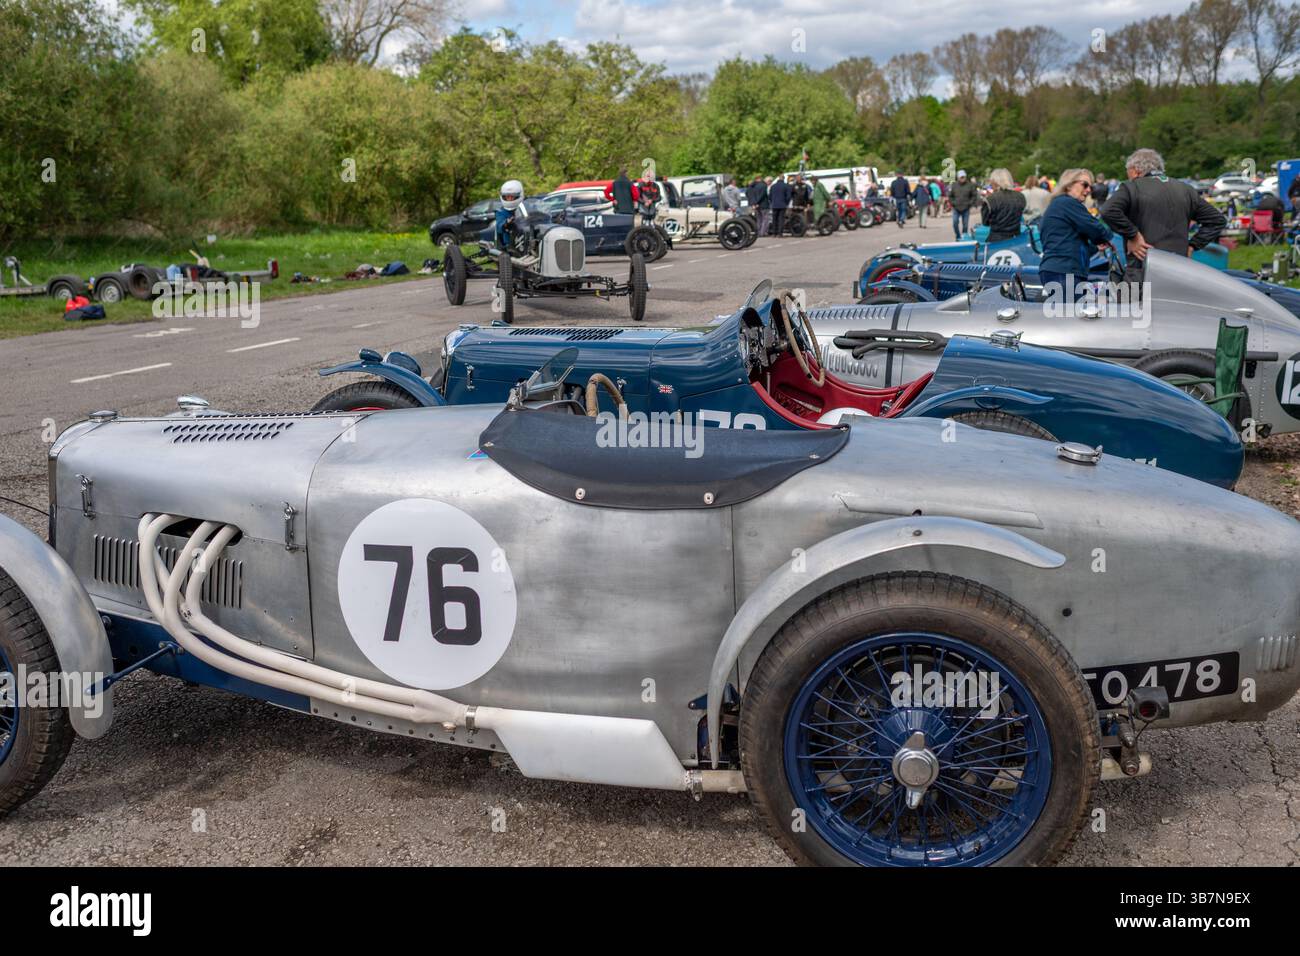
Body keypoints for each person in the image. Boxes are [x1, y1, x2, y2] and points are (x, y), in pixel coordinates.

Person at [1101, 148, 1226, 282]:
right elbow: (1217, 220)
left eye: (1128, 174)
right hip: (1179, 270)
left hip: (1142, 269)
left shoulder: (1132, 187)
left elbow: (1108, 210)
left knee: (1133, 302)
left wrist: (1133, 235)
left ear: (1135, 170)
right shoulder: (1185, 189)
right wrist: (1192, 246)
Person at [1038, 168, 1113, 302]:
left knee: (1069, 319)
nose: (1089, 190)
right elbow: (1096, 228)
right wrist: (1108, 235)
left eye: (1091, 186)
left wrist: (1096, 247)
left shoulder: (1059, 204)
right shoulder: (1068, 203)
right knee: (1071, 320)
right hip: (1064, 272)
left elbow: (1068, 242)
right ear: (1069, 185)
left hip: (1059, 270)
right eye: (1085, 184)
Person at [980, 168, 1026, 242]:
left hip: (996, 240)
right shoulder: (1021, 196)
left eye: (992, 182)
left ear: (996, 182)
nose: (991, 184)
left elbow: (985, 222)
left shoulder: (991, 199)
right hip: (1016, 239)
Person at [494, 179, 528, 251]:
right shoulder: (500, 212)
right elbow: (499, 226)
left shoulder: (525, 206)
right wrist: (506, 223)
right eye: (507, 197)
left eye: (512, 196)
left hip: (526, 237)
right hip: (510, 244)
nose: (509, 199)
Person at [948, 169, 979, 239]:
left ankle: (964, 237)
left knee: (965, 225)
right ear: (958, 177)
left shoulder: (970, 185)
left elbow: (974, 195)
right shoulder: (954, 185)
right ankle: (958, 236)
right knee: (955, 223)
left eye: (963, 177)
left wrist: (970, 203)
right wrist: (953, 203)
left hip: (966, 208)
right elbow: (950, 195)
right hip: (956, 208)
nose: (962, 178)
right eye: (961, 177)